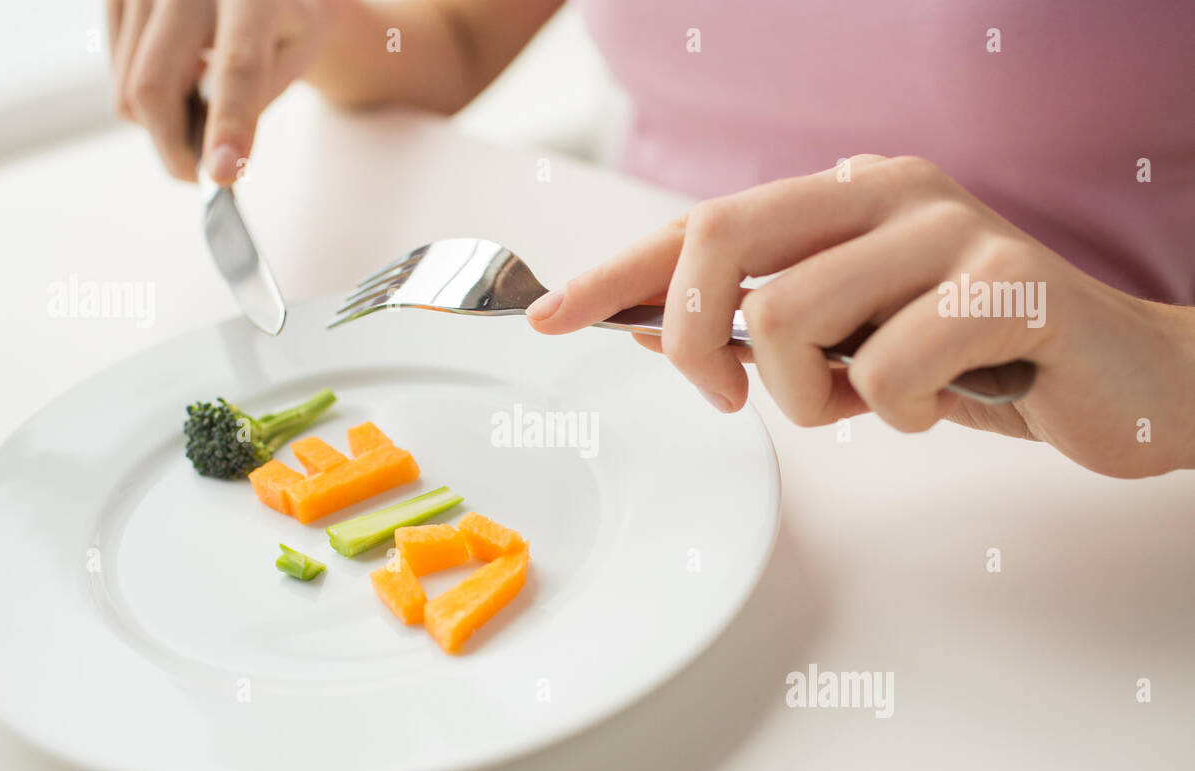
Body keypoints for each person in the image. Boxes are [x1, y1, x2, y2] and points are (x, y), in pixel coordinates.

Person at [107, 0, 1195, 478]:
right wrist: (317, 20)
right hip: (660, 432)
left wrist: (1166, 363)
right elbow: (451, 36)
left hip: (1081, 508)